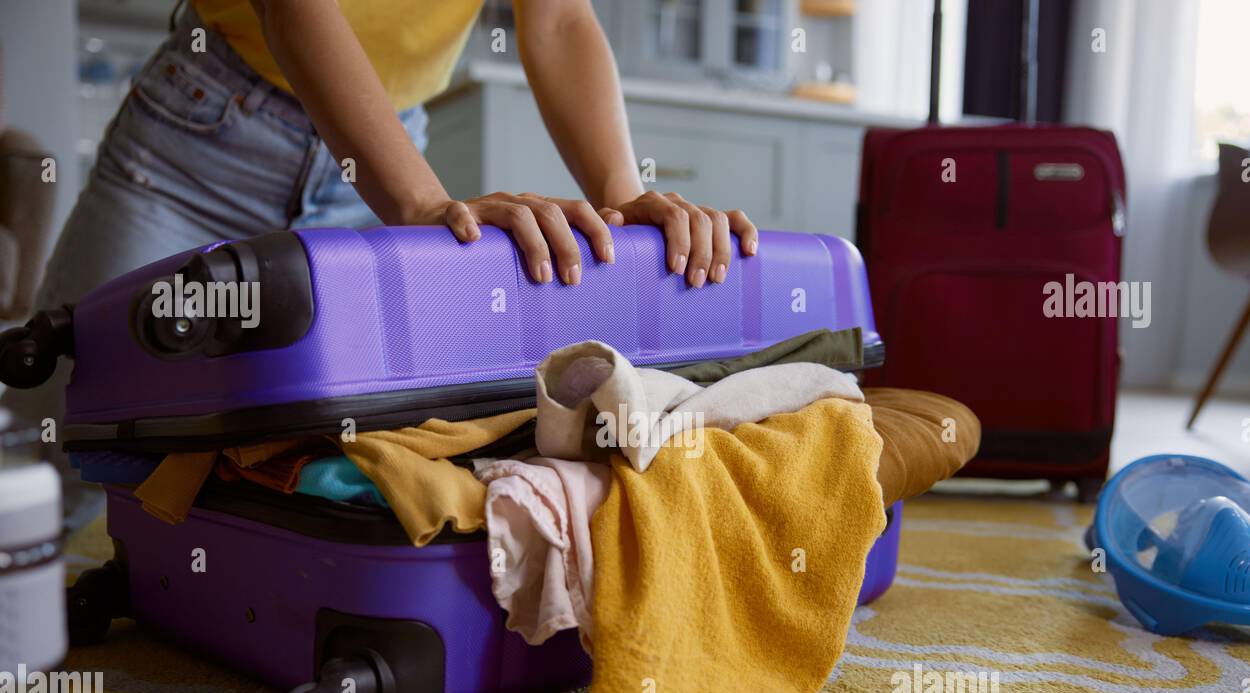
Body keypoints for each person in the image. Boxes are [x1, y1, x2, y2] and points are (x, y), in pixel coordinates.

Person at [10, 0, 758, 522]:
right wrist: (424, 210)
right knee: (66, 428)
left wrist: (624, 197)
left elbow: (559, 17)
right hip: (201, 142)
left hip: (375, 168)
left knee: (329, 450)